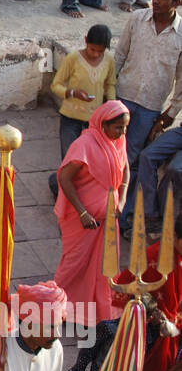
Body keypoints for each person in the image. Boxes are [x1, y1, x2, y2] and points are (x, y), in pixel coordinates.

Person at [114, 0, 182, 235]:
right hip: (123, 96)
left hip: (150, 107)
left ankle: (122, 216)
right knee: (114, 156)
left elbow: (180, 81)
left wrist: (167, 116)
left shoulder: (179, 36)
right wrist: (109, 95)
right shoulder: (136, 19)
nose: (155, 1)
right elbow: (119, 55)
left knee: (130, 161)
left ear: (176, 2)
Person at [54, 100, 129, 323]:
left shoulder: (119, 142)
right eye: (118, 127)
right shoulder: (85, 144)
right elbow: (64, 177)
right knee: (74, 265)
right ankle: (54, 305)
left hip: (109, 219)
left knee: (104, 267)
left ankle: (97, 313)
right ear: (103, 125)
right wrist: (82, 213)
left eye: (125, 127)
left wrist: (122, 200)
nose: (122, 132)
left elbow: (125, 170)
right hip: (85, 221)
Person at [48, 25, 116, 196]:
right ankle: (64, 195)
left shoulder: (109, 60)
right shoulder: (73, 59)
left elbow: (110, 86)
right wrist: (72, 93)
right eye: (92, 49)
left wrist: (112, 108)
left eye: (99, 52)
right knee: (69, 159)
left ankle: (77, 193)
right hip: (70, 118)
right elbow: (56, 85)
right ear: (85, 41)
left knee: (88, 162)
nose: (95, 54)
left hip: (94, 122)